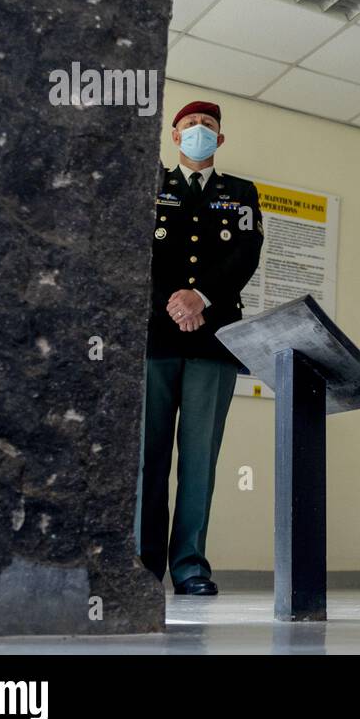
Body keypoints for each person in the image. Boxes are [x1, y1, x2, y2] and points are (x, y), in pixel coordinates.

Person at [137, 100, 263, 596]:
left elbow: (245, 253)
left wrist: (200, 297)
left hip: (215, 340)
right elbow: (137, 251)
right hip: (154, 338)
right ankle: (142, 565)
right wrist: (173, 301)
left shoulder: (241, 192)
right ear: (174, 136)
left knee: (199, 458)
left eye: (208, 126)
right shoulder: (154, 187)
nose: (198, 131)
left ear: (220, 140)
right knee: (148, 457)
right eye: (189, 125)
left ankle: (189, 564)